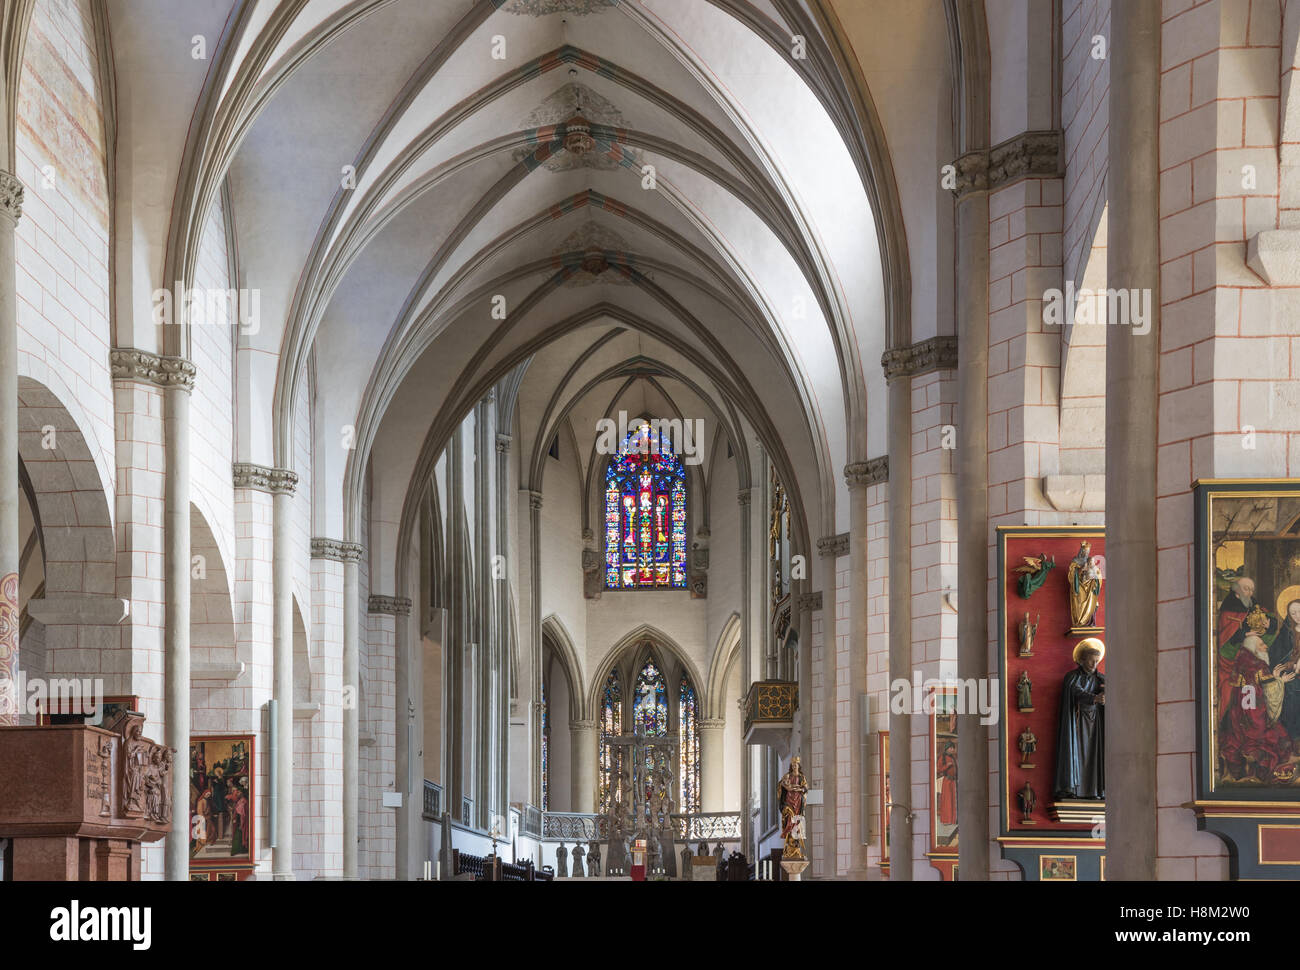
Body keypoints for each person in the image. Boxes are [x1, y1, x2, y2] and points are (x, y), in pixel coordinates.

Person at [1220, 611, 1296, 782]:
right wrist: (1280, 680)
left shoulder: (1243, 660)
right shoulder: (1259, 664)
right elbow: (1269, 689)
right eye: (1262, 645)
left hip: (1240, 712)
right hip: (1255, 712)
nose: (1265, 647)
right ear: (1255, 646)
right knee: (1275, 738)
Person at [1054, 639, 1105, 800]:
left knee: (1094, 755)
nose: (1094, 663)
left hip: (1095, 724)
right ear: (1082, 659)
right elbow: (1075, 691)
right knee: (1076, 754)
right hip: (1076, 723)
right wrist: (1094, 698)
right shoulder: (1072, 677)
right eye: (1091, 660)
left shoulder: (1101, 679)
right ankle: (1072, 789)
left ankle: (1095, 790)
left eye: (1096, 661)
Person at [1268, 599, 1300, 742]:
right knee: (1290, 689)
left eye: (1299, 611)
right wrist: (1284, 669)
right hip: (1291, 674)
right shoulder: (1287, 632)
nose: (1297, 615)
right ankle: (1292, 738)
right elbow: (1275, 655)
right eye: (1293, 613)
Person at [777, 756, 809, 856]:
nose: (795, 766)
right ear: (791, 766)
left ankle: (796, 839)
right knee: (789, 816)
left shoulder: (801, 777)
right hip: (789, 800)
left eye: (796, 765)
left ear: (799, 766)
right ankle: (789, 833)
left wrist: (799, 789)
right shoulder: (788, 776)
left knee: (797, 819)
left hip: (798, 801)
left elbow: (805, 788)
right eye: (793, 765)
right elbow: (782, 785)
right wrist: (785, 786)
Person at [935, 741, 957, 831]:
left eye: (953, 748)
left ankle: (952, 820)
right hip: (947, 781)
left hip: (953, 781)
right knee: (947, 800)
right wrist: (946, 766)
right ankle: (946, 820)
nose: (952, 750)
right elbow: (937, 769)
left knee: (953, 800)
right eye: (951, 748)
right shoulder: (942, 758)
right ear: (947, 749)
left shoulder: (953, 758)